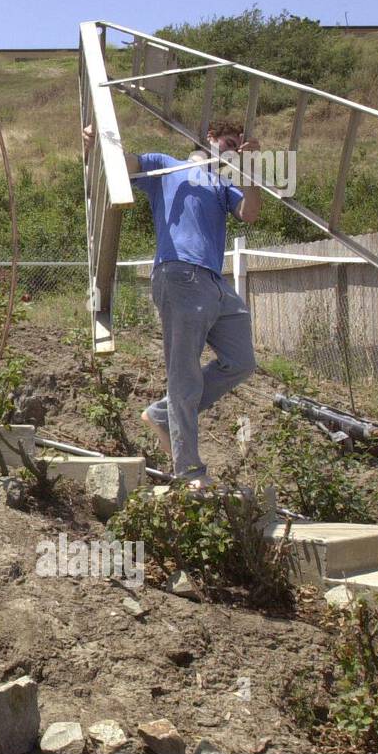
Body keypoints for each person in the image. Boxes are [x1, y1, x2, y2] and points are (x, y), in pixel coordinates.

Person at [83, 120, 262, 487]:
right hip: (179, 273)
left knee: (242, 361)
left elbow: (251, 212)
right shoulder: (167, 165)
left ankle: (164, 415)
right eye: (227, 142)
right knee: (185, 375)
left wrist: (251, 168)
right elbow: (125, 163)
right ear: (209, 138)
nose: (231, 149)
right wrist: (95, 144)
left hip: (214, 281)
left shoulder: (224, 184)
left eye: (236, 147)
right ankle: (189, 469)